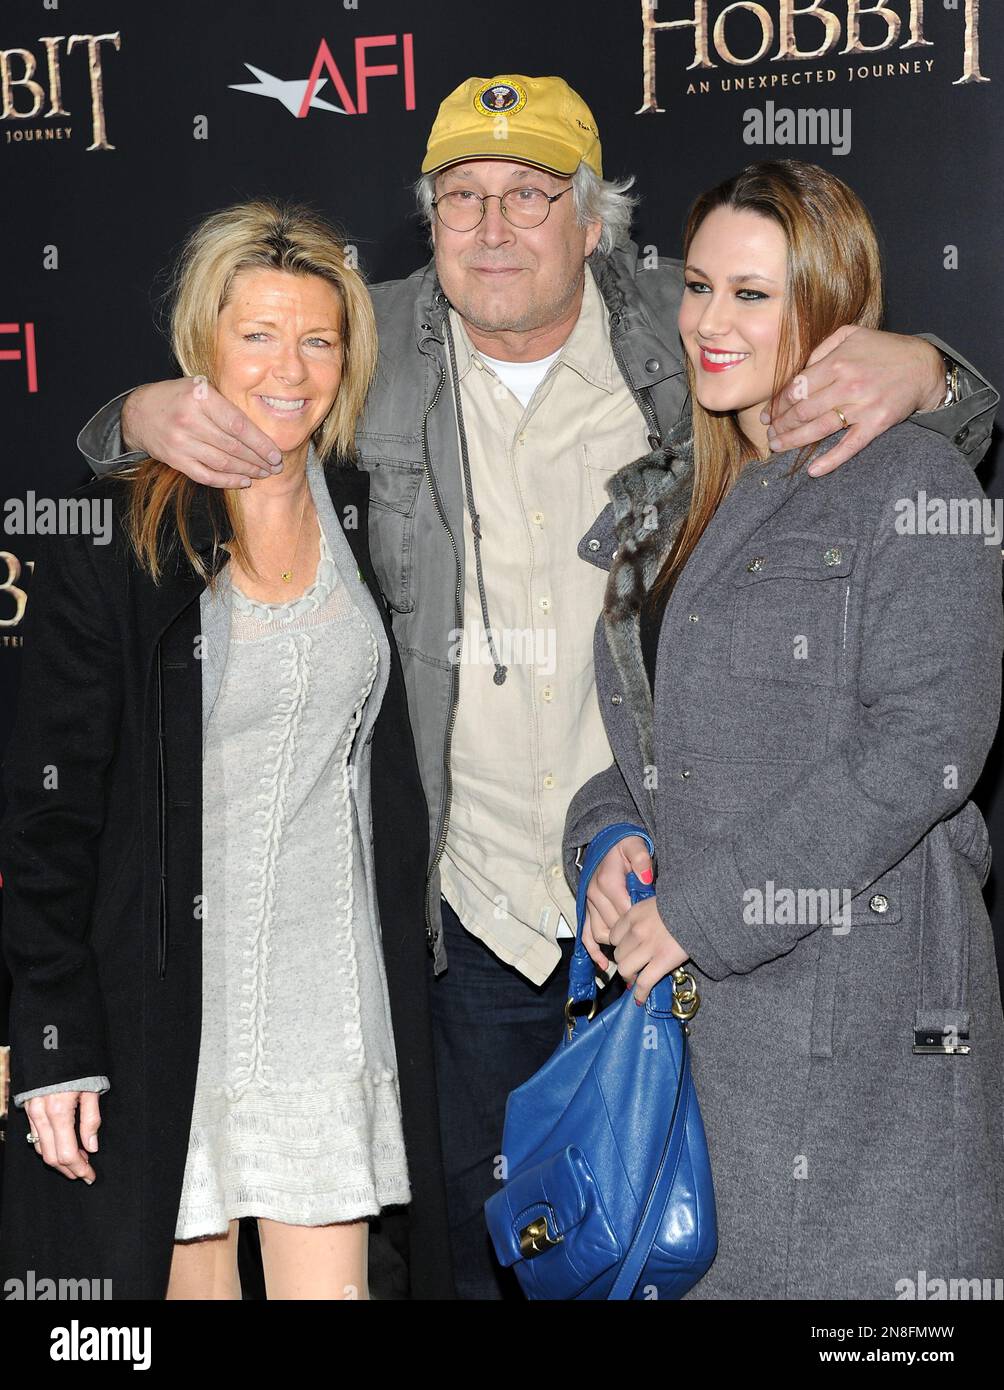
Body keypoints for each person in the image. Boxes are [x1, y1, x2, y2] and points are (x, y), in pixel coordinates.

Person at [73, 76, 999, 1299]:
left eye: (529, 193)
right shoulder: (366, 348)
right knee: (494, 1249)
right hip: (470, 909)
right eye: (461, 197)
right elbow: (238, 379)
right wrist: (135, 416)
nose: (494, 225)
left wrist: (925, 370)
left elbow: (856, 372)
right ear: (427, 222)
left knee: (711, 1241)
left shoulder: (682, 325)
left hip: (686, 915)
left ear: (591, 219)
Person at [562, 158, 1004, 1299]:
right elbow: (641, 752)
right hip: (700, 1038)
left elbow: (925, 747)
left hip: (857, 1045)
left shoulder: (914, 479)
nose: (708, 322)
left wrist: (700, 912)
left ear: (827, 307)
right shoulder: (673, 497)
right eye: (699, 285)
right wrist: (606, 840)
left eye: (751, 294)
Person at [0, 199, 453, 1300]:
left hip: (328, 1007)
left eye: (317, 337)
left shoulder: (361, 502)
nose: (289, 369)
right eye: (257, 335)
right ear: (204, 344)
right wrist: (55, 1030)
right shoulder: (122, 534)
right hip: (163, 1007)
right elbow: (49, 814)